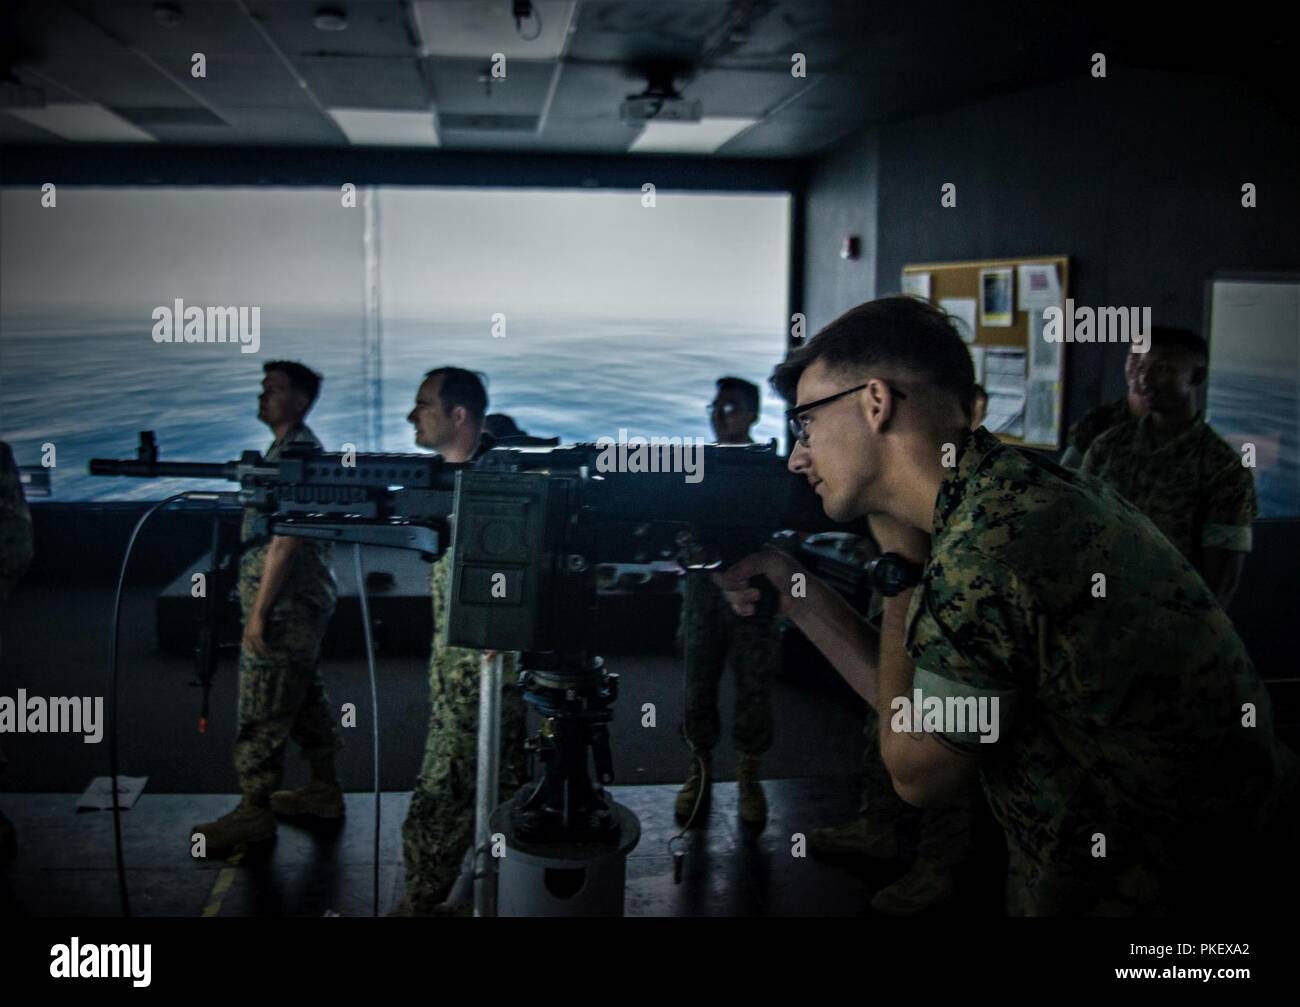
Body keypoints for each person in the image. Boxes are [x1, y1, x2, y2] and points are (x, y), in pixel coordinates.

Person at [715, 296, 1295, 915]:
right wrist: (794, 585)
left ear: (875, 403)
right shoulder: (1011, 491)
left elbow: (917, 773)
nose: (799, 454)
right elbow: (919, 710)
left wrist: (899, 572)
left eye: (806, 423)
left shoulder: (990, 549)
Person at [395, 367, 529, 916]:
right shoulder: (444, 483)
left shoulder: (507, 484)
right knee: (502, 791)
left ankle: (420, 904)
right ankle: (494, 894)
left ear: (458, 415)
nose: (412, 415)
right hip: (456, 674)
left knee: (441, 794)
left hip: (487, 677)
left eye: (423, 404)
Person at [192, 362, 341, 853]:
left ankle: (254, 811)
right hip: (295, 600)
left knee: (262, 700)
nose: (263, 397)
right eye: (262, 388)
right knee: (300, 693)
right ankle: (323, 789)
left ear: (299, 400)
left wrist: (258, 611)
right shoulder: (287, 449)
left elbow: (288, 536)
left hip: (285, 604)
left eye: (274, 390)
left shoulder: (297, 452)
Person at [1082, 328, 1255, 607]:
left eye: (1162, 369)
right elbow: (1078, 524)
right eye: (1141, 368)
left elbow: (1221, 578)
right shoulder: (1108, 447)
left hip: (1168, 624)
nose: (1145, 380)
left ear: (1196, 377)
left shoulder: (1222, 468)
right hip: (1097, 612)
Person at [675, 378, 780, 829]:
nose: (719, 415)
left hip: (756, 595)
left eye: (731, 407)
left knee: (755, 689)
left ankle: (748, 777)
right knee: (698, 685)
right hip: (704, 596)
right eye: (715, 407)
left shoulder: (769, 470)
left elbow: (786, 532)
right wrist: (712, 571)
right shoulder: (697, 468)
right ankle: (697, 773)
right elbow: (679, 533)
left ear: (753, 415)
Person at [1058, 353, 1146, 468]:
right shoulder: (1100, 418)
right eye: (1134, 355)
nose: (1137, 365)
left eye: (1145, 358)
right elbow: (1065, 474)